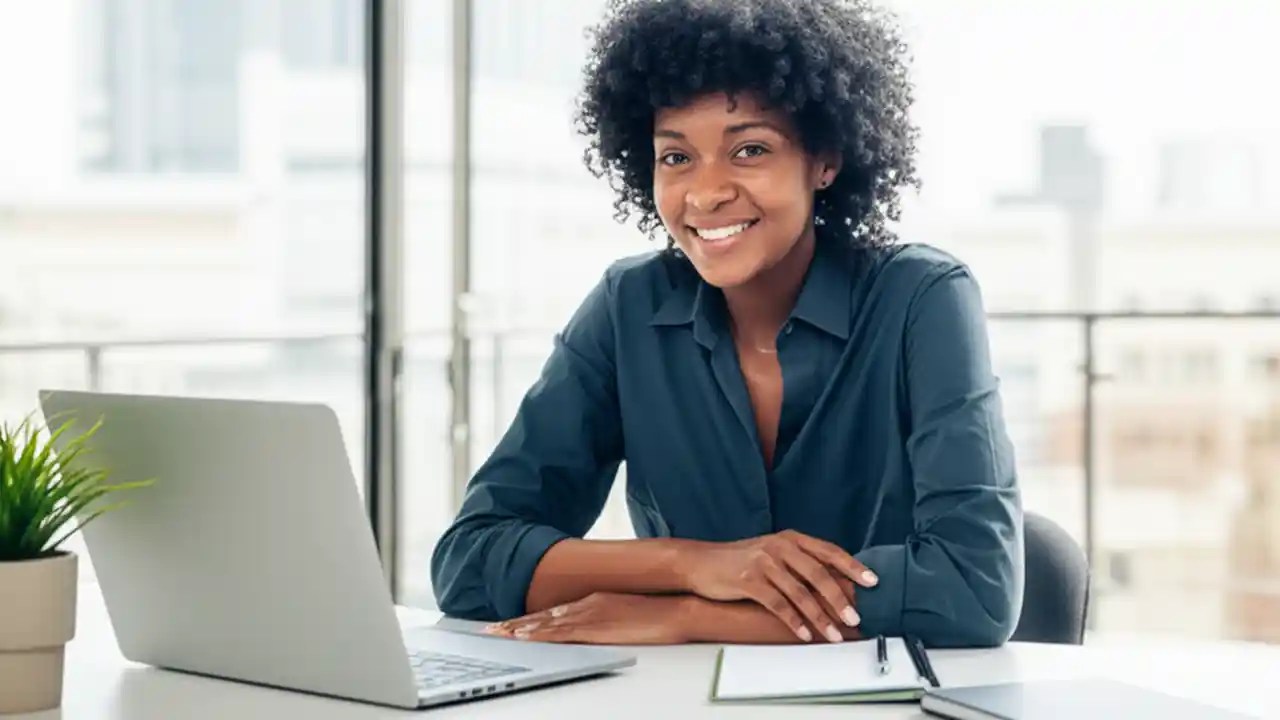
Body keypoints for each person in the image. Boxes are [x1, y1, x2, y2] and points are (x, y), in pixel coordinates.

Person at [431, 0, 1023, 648]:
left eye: (749, 149)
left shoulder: (922, 299)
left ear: (824, 159)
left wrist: (687, 616)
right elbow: (469, 559)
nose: (706, 193)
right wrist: (698, 564)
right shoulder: (628, 306)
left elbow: (974, 589)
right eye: (676, 158)